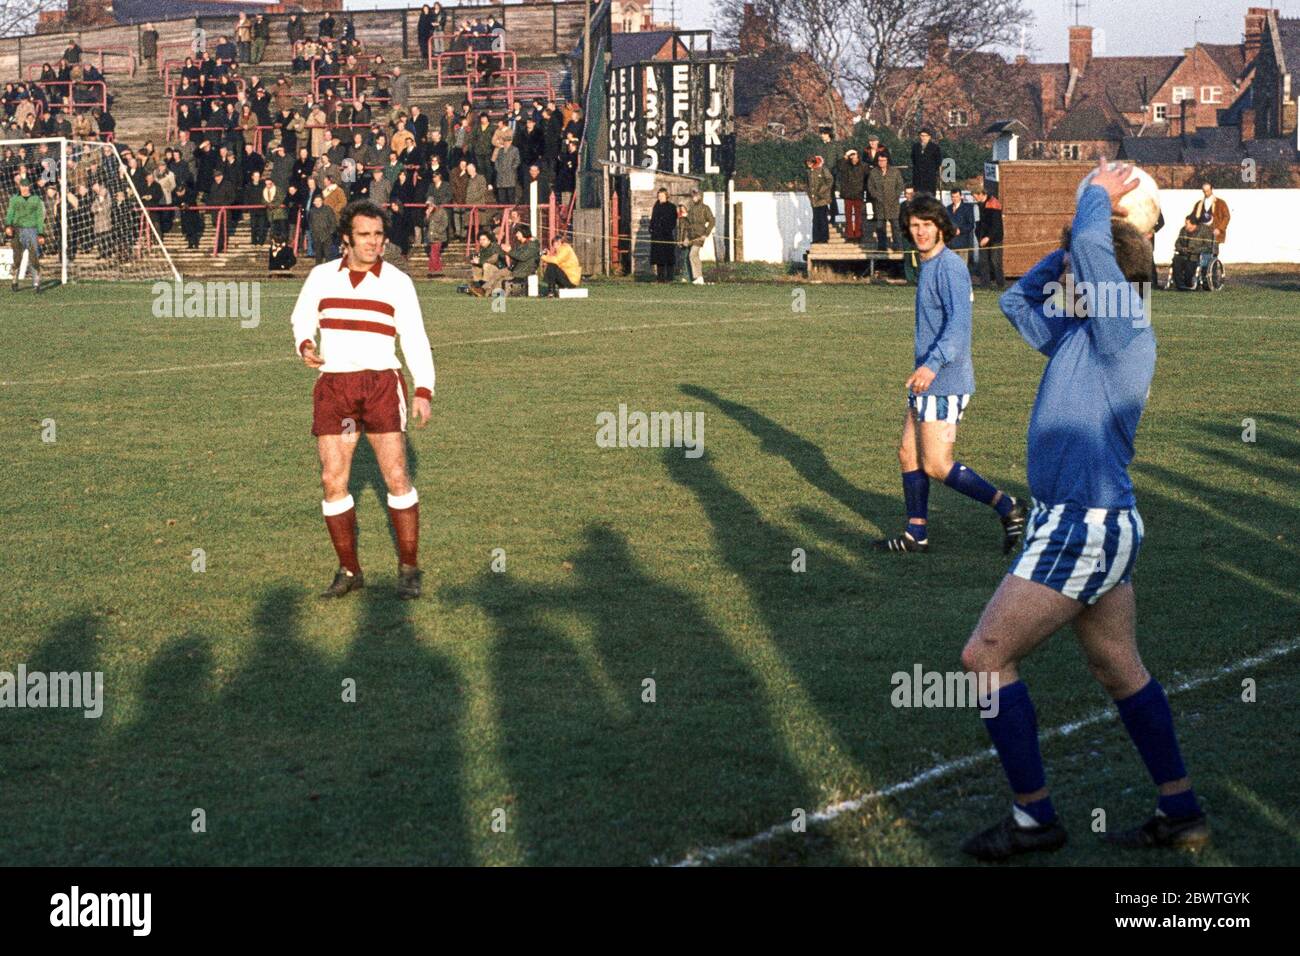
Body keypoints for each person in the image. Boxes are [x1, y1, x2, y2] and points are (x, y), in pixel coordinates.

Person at [959, 158, 1207, 861]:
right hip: (1083, 523)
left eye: (1081, 273)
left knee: (983, 657)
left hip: (1084, 525)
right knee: (1117, 669)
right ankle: (1180, 809)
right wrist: (1063, 249)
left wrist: (1096, 197)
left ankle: (1034, 819)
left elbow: (1100, 254)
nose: (1070, 280)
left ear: (1105, 280)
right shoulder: (1078, 335)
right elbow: (1015, 303)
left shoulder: (1125, 327)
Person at [290, 200, 434, 600]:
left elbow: (415, 338)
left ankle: (408, 569)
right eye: (365, 235)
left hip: (381, 385)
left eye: (378, 235)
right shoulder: (321, 277)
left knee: (397, 476)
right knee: (332, 479)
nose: (373, 243)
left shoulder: (397, 282)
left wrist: (423, 388)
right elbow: (302, 317)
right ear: (346, 240)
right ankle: (350, 571)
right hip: (334, 386)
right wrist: (304, 343)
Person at [873, 194, 1027, 555]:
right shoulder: (928, 265)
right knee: (907, 454)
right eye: (914, 226)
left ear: (941, 227)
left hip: (944, 379)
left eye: (927, 225)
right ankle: (916, 534)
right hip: (927, 377)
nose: (920, 232)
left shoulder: (950, 267)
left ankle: (1009, 507)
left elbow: (959, 326)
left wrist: (932, 363)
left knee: (937, 465)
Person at [5, 177, 45, 293]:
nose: (24, 188)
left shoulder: (36, 199)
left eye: (26, 186)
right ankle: (15, 278)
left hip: (32, 230)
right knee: (17, 257)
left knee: (34, 256)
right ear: (19, 186)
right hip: (18, 229)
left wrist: (41, 232)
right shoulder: (14, 200)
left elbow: (39, 217)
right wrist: (8, 225)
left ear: (29, 187)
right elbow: (10, 213)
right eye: (22, 186)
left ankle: (36, 282)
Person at [866, 150, 904, 251]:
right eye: (879, 160)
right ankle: (882, 247)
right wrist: (876, 196)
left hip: (893, 204)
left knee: (895, 226)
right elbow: (870, 187)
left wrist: (895, 196)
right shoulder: (874, 172)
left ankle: (898, 246)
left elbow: (900, 186)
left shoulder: (895, 171)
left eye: (883, 160)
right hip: (879, 204)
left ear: (887, 161)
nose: (881, 162)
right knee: (880, 227)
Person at [971, 184, 1004, 290]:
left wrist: (988, 238)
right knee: (983, 261)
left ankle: (1000, 284)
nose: (974, 198)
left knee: (995, 261)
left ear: (980, 194)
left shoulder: (994, 203)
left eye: (975, 196)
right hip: (983, 237)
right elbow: (980, 223)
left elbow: (996, 225)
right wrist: (979, 236)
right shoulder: (981, 204)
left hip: (995, 238)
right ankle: (985, 285)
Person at [1170, 215, 1214, 290]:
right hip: (1184, 254)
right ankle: (1180, 285)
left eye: (1187, 223)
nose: (1185, 225)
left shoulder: (1205, 230)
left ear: (1193, 224)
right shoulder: (1183, 230)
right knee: (1176, 260)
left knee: (1189, 264)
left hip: (1196, 256)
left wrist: (1194, 250)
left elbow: (1208, 246)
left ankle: (1188, 284)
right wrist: (1182, 249)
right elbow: (1177, 243)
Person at [683, 189, 714, 285]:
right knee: (694, 256)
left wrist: (706, 234)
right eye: (693, 196)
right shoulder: (691, 209)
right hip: (691, 236)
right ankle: (698, 278)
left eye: (696, 196)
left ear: (700, 196)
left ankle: (698, 277)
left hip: (699, 236)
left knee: (692, 254)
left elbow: (712, 221)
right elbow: (688, 225)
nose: (694, 198)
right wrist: (686, 238)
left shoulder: (705, 208)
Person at [649, 187, 678, 282]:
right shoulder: (656, 206)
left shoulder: (671, 207)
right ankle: (660, 278)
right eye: (659, 196)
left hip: (667, 235)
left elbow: (673, 221)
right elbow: (653, 219)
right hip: (657, 236)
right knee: (659, 258)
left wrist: (667, 228)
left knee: (669, 257)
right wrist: (651, 228)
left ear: (666, 196)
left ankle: (670, 278)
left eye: (662, 195)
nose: (660, 197)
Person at [839, 149, 867, 241]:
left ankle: (858, 234)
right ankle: (850, 235)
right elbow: (839, 167)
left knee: (859, 215)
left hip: (859, 194)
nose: (854, 158)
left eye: (855, 156)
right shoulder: (845, 165)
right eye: (852, 156)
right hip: (848, 194)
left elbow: (868, 178)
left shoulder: (863, 166)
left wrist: (864, 189)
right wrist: (846, 155)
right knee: (848, 216)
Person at [805, 154, 832, 245]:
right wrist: (810, 195)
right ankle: (816, 238)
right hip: (814, 200)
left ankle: (824, 238)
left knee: (823, 219)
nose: (808, 164)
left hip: (823, 199)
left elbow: (830, 180)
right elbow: (808, 185)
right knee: (816, 219)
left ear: (813, 162)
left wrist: (822, 191)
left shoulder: (823, 169)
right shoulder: (809, 172)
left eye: (809, 162)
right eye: (807, 162)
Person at [910, 127, 942, 198]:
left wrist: (931, 170)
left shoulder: (935, 147)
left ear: (929, 137)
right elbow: (913, 159)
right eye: (922, 135)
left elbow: (938, 162)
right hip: (918, 178)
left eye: (925, 136)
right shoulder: (915, 147)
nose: (923, 138)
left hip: (929, 178)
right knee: (918, 199)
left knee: (929, 199)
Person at [308, 193, 337, 263]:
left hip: (327, 236)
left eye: (319, 200)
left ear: (322, 201)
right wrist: (313, 233)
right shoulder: (312, 211)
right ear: (313, 202)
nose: (317, 203)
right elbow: (310, 223)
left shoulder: (328, 209)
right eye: (316, 201)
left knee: (328, 255)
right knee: (318, 256)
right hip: (316, 236)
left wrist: (330, 232)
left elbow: (333, 222)